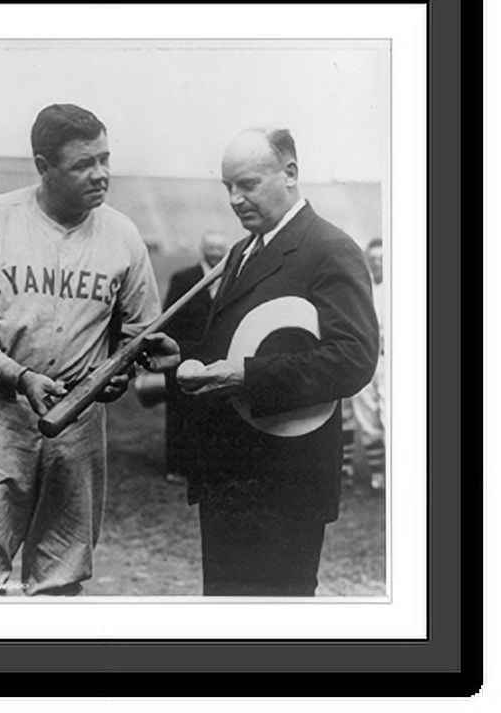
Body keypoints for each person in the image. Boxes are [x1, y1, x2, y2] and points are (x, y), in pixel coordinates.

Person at [0, 103, 161, 596]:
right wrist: (19, 376)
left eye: (104, 158)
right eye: (83, 165)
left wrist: (122, 370)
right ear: (43, 166)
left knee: (61, 576)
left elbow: (143, 333)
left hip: (77, 422)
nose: (100, 174)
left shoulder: (122, 234)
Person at [144, 128, 379, 596]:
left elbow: (354, 358)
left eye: (247, 184)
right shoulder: (241, 252)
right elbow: (231, 349)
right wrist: (182, 361)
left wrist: (246, 377)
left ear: (289, 174)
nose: (234, 199)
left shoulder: (330, 249)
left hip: (286, 487)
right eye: (228, 186)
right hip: (228, 481)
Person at [162, 230, 227, 484]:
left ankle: (208, 465)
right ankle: (177, 467)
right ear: (203, 249)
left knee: (214, 414)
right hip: (184, 357)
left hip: (216, 358)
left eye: (220, 249)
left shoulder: (233, 278)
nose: (215, 253)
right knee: (180, 414)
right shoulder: (184, 278)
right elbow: (169, 319)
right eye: (211, 248)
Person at [350, 238, 386, 490]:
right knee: (367, 422)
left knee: (391, 416)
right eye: (372, 259)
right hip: (366, 360)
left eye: (381, 258)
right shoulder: (360, 287)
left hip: (391, 360)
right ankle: (378, 477)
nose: (376, 263)